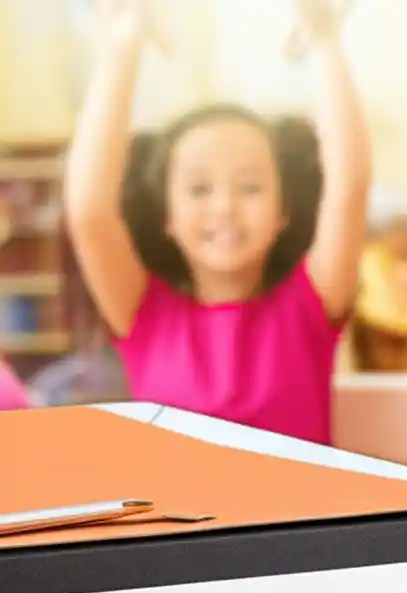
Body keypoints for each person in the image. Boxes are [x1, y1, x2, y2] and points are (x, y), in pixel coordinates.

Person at [63, 0, 370, 445]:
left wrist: (325, 41)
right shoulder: (145, 315)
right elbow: (90, 213)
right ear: (167, 217)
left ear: (283, 212)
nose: (224, 207)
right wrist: (122, 47)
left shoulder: (309, 306)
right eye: (199, 189)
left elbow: (349, 188)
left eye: (249, 187)